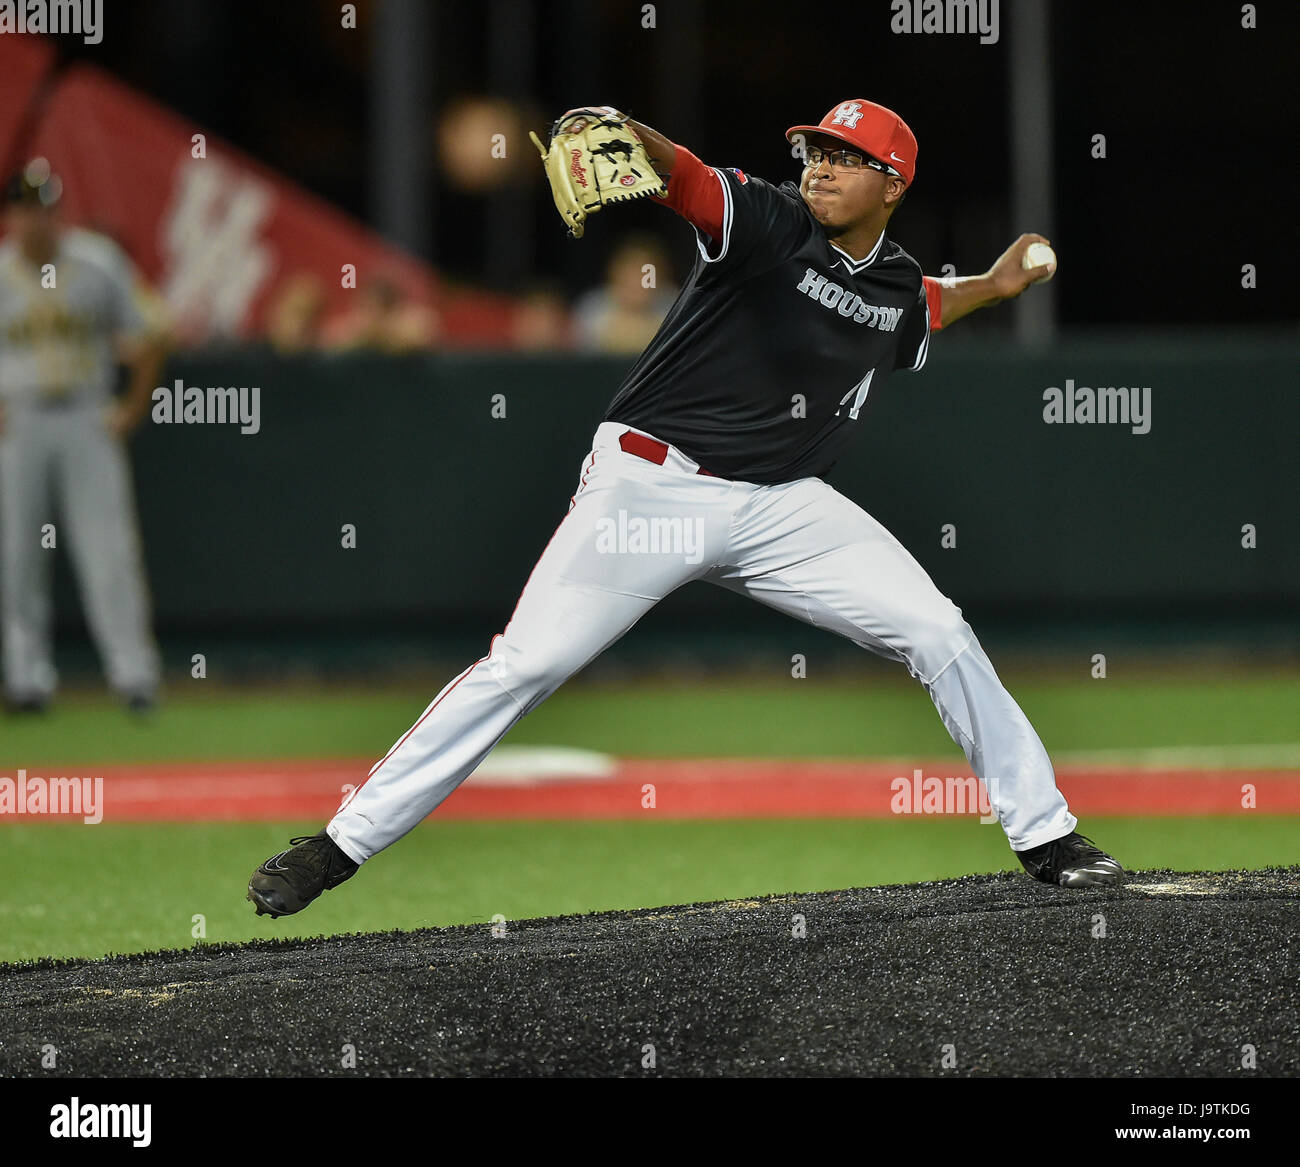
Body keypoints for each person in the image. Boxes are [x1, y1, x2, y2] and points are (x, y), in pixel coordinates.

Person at [248, 98, 1121, 918]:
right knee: (527, 664)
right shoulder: (772, 224)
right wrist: (630, 131)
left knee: (937, 629)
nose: (820, 166)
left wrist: (1000, 283)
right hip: (652, 488)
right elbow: (691, 178)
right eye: (816, 149)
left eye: (848, 158)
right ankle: (338, 846)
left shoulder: (892, 283)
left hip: (781, 505)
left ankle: (1046, 834)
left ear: (893, 185)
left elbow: (926, 302)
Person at [0, 160, 167, 713]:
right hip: (18, 421)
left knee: (109, 550)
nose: (34, 219)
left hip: (85, 414)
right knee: (16, 553)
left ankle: (135, 677)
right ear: (11, 216)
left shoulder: (97, 263)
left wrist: (131, 407)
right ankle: (26, 681)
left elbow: (151, 333)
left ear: (58, 210)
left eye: (43, 207)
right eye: (24, 208)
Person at [572, 234, 677, 354]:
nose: (637, 282)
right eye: (630, 274)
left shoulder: (674, 306)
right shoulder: (592, 308)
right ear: (614, 275)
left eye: (646, 275)